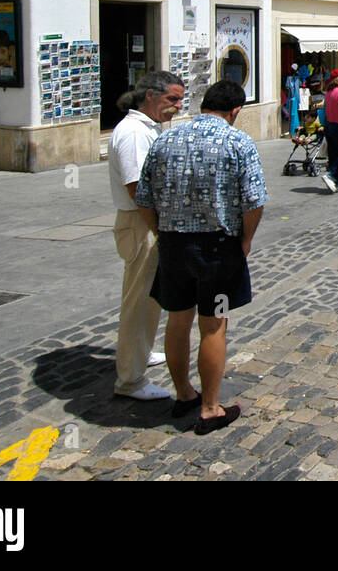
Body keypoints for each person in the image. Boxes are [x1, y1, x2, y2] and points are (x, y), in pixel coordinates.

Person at [135, 80, 268, 435]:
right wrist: (245, 241)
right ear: (235, 110)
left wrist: (161, 233)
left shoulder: (165, 138)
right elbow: (254, 200)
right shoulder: (237, 141)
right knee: (213, 324)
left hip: (174, 247)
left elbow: (143, 197)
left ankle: (184, 393)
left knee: (177, 320)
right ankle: (210, 408)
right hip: (217, 248)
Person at [107, 71, 185, 401]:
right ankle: (130, 380)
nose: (178, 106)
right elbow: (137, 186)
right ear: (150, 96)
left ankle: (142, 352)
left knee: (152, 296)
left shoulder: (146, 129)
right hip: (142, 223)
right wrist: (157, 228)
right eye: (172, 100)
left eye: (181, 100)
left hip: (149, 222)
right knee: (138, 301)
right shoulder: (134, 134)